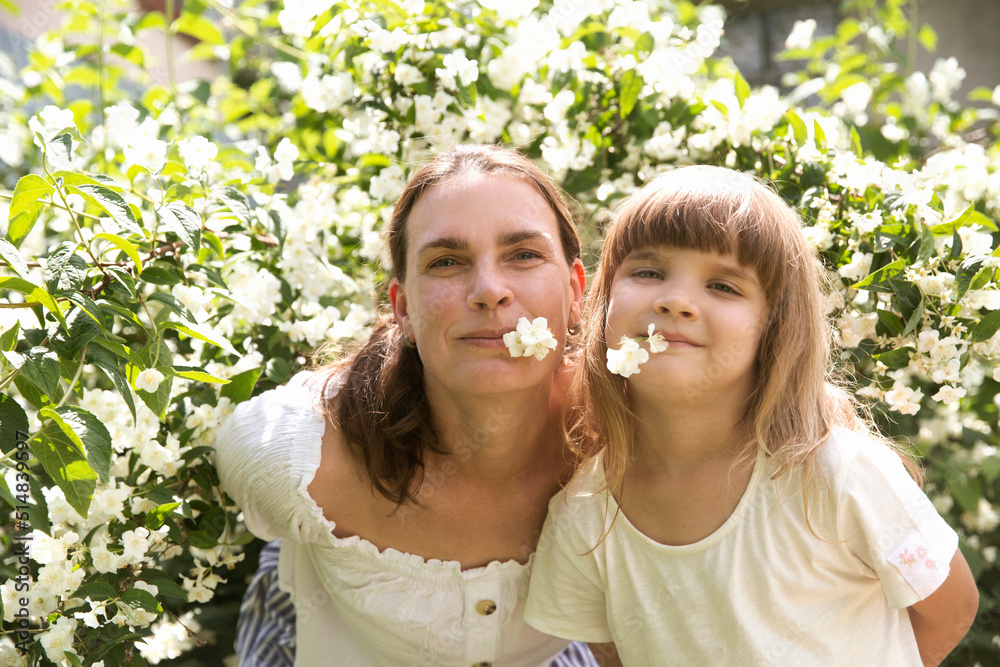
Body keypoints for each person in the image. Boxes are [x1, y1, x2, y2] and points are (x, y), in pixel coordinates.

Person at [523, 166, 980, 666]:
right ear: (603, 302)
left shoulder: (838, 476)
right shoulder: (584, 516)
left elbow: (950, 609)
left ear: (774, 327)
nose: (675, 301)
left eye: (722, 286)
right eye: (648, 272)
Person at [215, 144, 599, 666]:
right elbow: (247, 441)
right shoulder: (299, 463)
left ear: (576, 292)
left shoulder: (625, 442)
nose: (489, 291)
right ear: (404, 310)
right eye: (446, 262)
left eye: (524, 255)